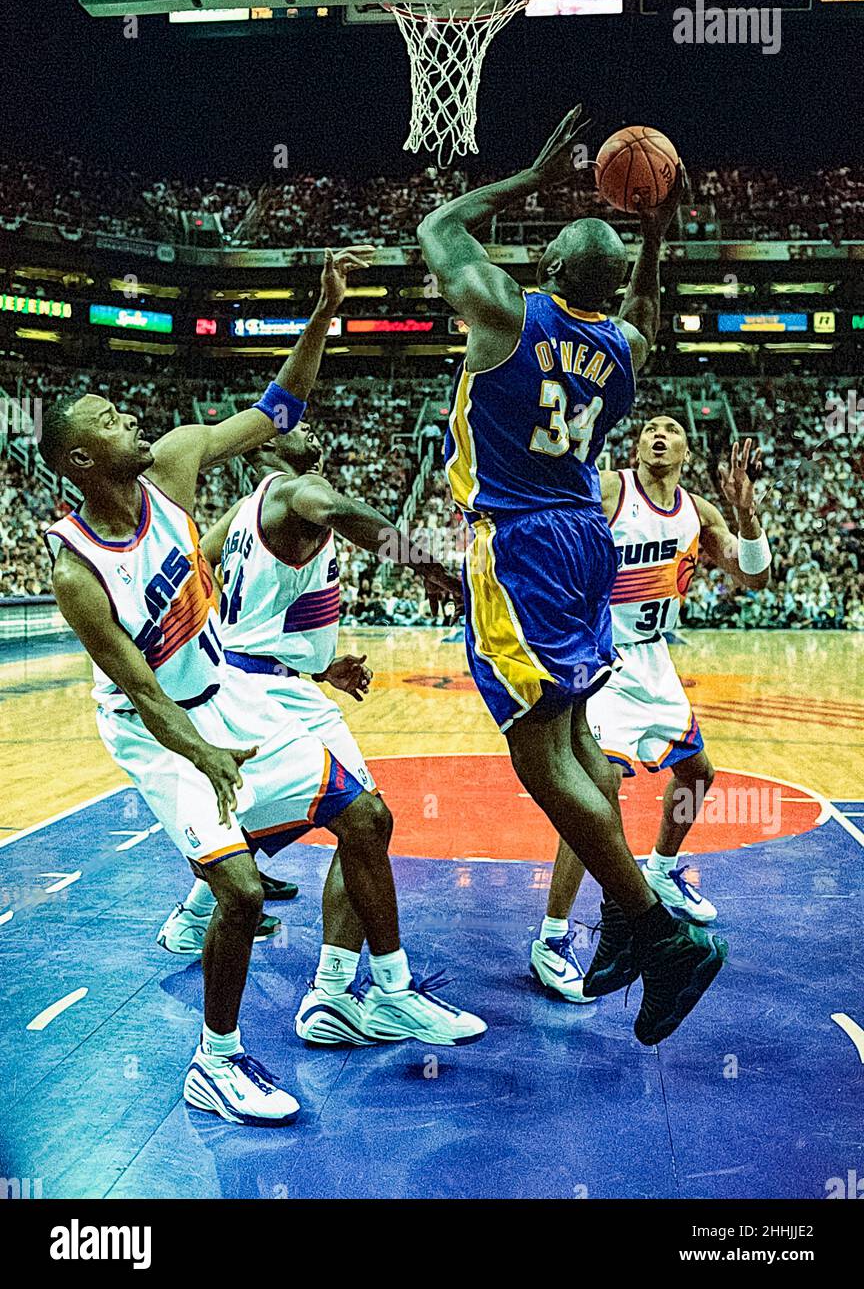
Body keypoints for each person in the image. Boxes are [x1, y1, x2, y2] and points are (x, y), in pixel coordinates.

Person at [41, 249, 484, 1130]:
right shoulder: (76, 571)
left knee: (367, 816)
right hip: (155, 728)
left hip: (226, 693)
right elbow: (140, 687)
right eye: (109, 418)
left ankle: (387, 990)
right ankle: (215, 1060)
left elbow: (280, 406)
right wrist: (209, 759)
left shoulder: (173, 465)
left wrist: (322, 314)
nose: (131, 418)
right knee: (240, 890)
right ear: (85, 459)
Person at [419, 107, 727, 1045]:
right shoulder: (624, 355)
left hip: (517, 542)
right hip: (586, 537)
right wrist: (658, 235)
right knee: (581, 738)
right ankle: (634, 929)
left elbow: (438, 229)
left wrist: (526, 176)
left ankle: (653, 928)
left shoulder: (509, 316)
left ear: (549, 269)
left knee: (536, 754)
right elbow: (643, 316)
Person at [159, 417, 465, 1047]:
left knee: (362, 823)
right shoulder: (298, 492)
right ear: (266, 447)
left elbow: (205, 575)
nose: (313, 435)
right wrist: (428, 564)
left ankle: (330, 992)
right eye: (297, 430)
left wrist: (317, 664)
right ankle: (367, 990)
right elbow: (342, 509)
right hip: (262, 694)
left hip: (279, 682)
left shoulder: (243, 515)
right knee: (362, 819)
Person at [530, 427, 771, 999]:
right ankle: (553, 936)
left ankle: (662, 868)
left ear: (688, 453)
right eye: (649, 430)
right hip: (603, 661)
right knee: (597, 793)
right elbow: (553, 519)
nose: (659, 435)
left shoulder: (700, 510)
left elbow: (753, 575)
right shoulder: (612, 491)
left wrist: (745, 514)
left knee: (697, 774)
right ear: (636, 448)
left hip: (656, 662)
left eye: (672, 431)